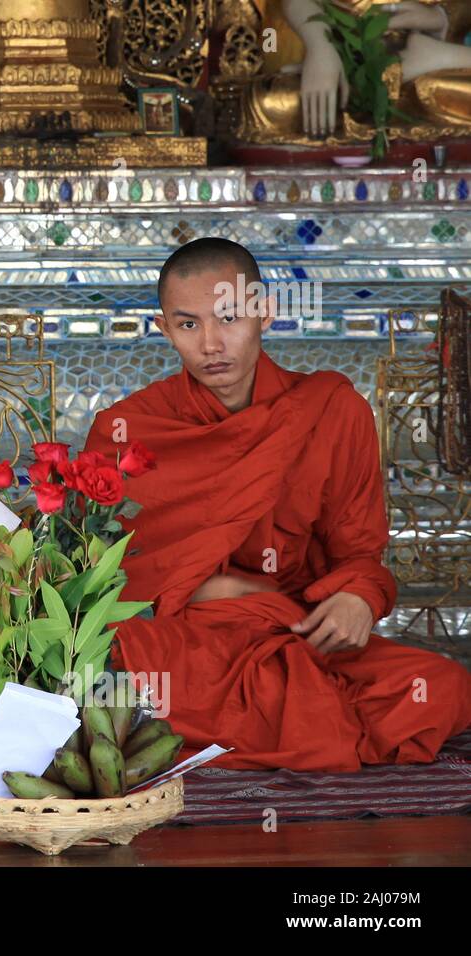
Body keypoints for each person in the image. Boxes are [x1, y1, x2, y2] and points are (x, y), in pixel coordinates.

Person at [83, 237, 471, 771]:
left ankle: (216, 733)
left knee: (443, 686)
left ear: (264, 311)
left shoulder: (331, 410)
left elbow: (359, 554)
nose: (212, 344)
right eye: (189, 324)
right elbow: (98, 576)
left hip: (291, 633)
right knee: (102, 668)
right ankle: (306, 728)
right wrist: (205, 589)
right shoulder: (129, 429)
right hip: (177, 640)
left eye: (229, 317)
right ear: (164, 328)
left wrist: (358, 599)